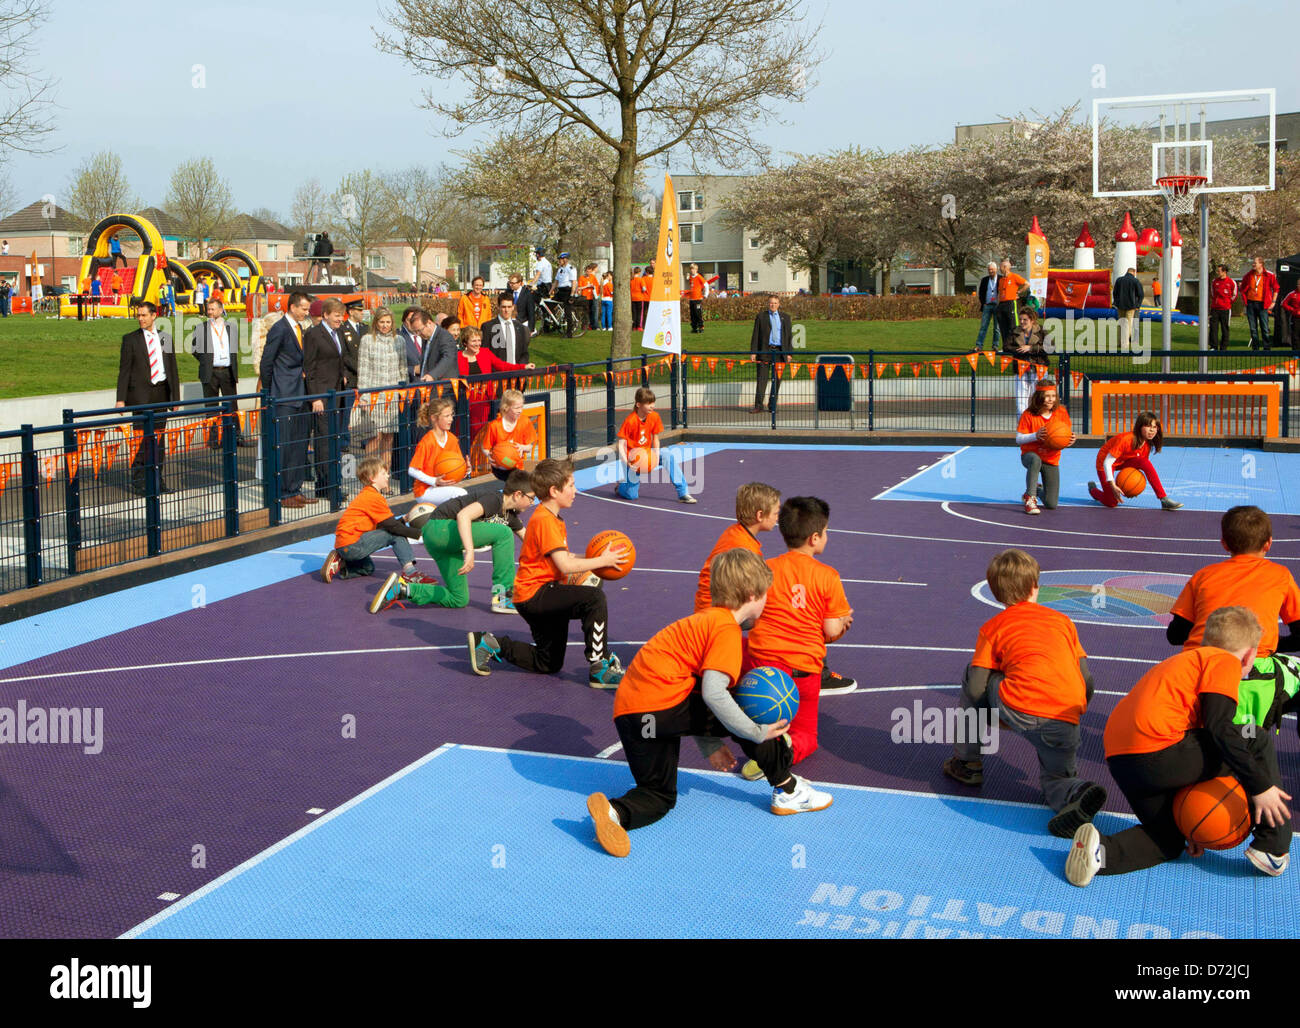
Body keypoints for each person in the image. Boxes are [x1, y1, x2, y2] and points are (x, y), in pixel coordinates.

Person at [586, 547, 835, 858]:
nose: (768, 601)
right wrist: (755, 731)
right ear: (751, 594)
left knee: (659, 796)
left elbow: (694, 691)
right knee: (750, 708)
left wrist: (710, 745)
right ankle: (788, 789)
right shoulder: (726, 630)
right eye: (766, 595)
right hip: (659, 708)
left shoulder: (702, 621)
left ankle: (614, 813)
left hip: (633, 717)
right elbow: (714, 694)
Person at [1066, 606, 1291, 887]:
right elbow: (1220, 727)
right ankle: (1273, 845)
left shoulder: (1184, 663)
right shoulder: (1224, 662)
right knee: (1253, 736)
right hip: (1156, 751)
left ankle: (1098, 853)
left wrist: (1191, 823)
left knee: (1169, 839)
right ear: (1249, 654)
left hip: (1122, 759)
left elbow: (1188, 741)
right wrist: (1260, 787)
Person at [1165, 506, 1300, 873]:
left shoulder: (1204, 575)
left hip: (1197, 674)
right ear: (1270, 544)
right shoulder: (1281, 574)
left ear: (1223, 542)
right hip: (1253, 673)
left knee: (1216, 737)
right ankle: (1273, 842)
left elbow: (1175, 634)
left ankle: (1184, 814)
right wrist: (1264, 644)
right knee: (1251, 736)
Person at [943, 549, 1106, 838]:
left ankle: (967, 763)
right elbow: (1087, 681)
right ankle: (1077, 790)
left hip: (1018, 706)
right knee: (1055, 781)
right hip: (1065, 715)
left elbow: (977, 686)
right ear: (1035, 588)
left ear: (995, 593)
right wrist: (1073, 714)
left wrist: (994, 718)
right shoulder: (1063, 622)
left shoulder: (993, 627)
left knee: (973, 671)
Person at [468, 458, 627, 688]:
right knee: (594, 598)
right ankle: (599, 666)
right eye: (571, 485)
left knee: (548, 662)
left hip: (538, 595)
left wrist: (599, 559)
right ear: (554, 490)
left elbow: (565, 557)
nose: (575, 491)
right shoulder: (544, 520)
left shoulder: (552, 519)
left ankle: (489, 643)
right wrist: (602, 560)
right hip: (536, 594)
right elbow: (564, 566)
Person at [740, 496, 853, 776]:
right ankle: (786, 750)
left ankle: (740, 709)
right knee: (808, 737)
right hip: (803, 671)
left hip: (764, 670)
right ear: (815, 538)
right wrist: (843, 623)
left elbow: (747, 618)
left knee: (738, 646)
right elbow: (830, 631)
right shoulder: (828, 576)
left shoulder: (765, 568)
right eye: (826, 532)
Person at [371, 470, 534, 615]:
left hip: (439, 541)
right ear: (518, 494)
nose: (532, 503)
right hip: (440, 527)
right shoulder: (494, 499)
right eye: (531, 498)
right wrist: (470, 551)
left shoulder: (510, 517)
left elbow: (528, 539)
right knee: (504, 533)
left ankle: (403, 590)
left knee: (458, 598)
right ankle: (503, 597)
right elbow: (464, 516)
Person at [319, 457, 424, 583]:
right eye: (384, 473)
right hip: (351, 544)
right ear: (372, 478)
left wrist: (404, 519)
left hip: (345, 545)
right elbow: (393, 528)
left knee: (368, 568)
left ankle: (342, 565)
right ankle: (410, 573)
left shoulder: (368, 494)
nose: (388, 476)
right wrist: (420, 534)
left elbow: (383, 527)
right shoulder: (373, 497)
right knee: (396, 534)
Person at [114, 302, 179, 495]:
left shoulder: (165, 338)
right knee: (141, 440)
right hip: (140, 396)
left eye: (144, 315)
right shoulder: (130, 340)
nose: (141, 319)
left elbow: (172, 369)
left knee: (158, 441)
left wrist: (175, 398)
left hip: (161, 394)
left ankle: (158, 480)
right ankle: (139, 481)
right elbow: (124, 371)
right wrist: (121, 399)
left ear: (154, 316)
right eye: (139, 315)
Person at [260, 292, 318, 507]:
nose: (306, 313)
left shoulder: (298, 328)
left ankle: (294, 489)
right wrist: (269, 392)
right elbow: (267, 362)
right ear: (293, 307)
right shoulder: (279, 329)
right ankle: (281, 493)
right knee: (283, 446)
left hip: (300, 394)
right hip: (283, 396)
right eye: (303, 309)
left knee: (299, 445)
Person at [303, 298, 354, 504]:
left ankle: (329, 485)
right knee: (324, 442)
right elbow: (310, 368)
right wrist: (315, 397)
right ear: (325, 315)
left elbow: (339, 359)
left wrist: (343, 376)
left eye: (341, 316)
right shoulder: (313, 335)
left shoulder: (339, 333)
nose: (340, 319)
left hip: (337, 395)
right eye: (336, 315)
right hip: (321, 397)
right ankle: (328, 487)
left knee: (333, 440)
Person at [349, 306, 407, 481]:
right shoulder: (367, 340)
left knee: (388, 441)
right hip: (373, 396)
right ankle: (370, 479)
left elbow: (403, 369)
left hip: (393, 397)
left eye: (388, 322)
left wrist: (402, 393)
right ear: (375, 322)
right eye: (381, 322)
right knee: (374, 439)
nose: (385, 325)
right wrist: (364, 396)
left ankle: (385, 480)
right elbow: (363, 369)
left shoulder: (400, 341)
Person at [188, 295, 250, 449]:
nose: (210, 312)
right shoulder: (201, 328)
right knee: (212, 407)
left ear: (221, 310)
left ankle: (235, 437)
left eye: (213, 309)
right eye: (208, 309)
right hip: (210, 372)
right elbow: (194, 349)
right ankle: (213, 439)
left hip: (227, 371)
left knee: (232, 406)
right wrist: (206, 361)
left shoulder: (231, 327)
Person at [614, 386, 696, 503]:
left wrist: (657, 456)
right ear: (638, 405)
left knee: (667, 454)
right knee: (631, 495)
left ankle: (683, 492)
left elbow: (655, 438)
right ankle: (621, 486)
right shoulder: (630, 421)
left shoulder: (654, 416)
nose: (652, 406)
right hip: (632, 459)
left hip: (648, 453)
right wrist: (627, 462)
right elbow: (620, 444)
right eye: (648, 403)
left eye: (653, 402)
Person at [1088, 411, 1181, 510]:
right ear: (1140, 427)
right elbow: (1107, 463)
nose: (1152, 430)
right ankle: (1093, 490)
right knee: (1111, 502)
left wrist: (1131, 489)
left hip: (1124, 461)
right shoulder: (1126, 439)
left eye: (1154, 427)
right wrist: (1113, 485)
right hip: (1105, 461)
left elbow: (1139, 469)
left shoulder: (1146, 445)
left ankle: (1164, 499)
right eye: (1148, 426)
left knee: (1144, 462)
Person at [458, 327, 535, 441]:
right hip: (465, 400)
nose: (477, 344)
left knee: (482, 432)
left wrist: (523, 367)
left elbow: (502, 366)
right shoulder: (458, 357)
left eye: (479, 340)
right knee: (465, 432)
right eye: (473, 341)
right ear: (465, 342)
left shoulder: (485, 353)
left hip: (484, 400)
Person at [1016, 377, 1073, 515]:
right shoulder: (1029, 414)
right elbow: (1018, 439)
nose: (1051, 399)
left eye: (1053, 396)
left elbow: (1064, 436)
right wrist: (1035, 435)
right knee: (1035, 460)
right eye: (1047, 396)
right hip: (1030, 455)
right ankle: (1030, 499)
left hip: (1051, 458)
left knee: (1051, 504)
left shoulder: (1061, 413)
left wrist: (1070, 440)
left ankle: (1037, 490)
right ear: (1039, 397)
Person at [408, 397, 471, 507]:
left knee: (461, 496)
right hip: (425, 490)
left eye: (452, 415)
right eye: (447, 416)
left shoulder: (452, 439)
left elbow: (456, 468)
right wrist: (434, 481)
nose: (451, 419)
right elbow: (412, 470)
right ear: (434, 418)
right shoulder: (427, 442)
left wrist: (466, 470)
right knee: (461, 494)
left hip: (442, 488)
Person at [479, 388, 539, 481]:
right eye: (516, 408)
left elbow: (529, 447)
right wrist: (489, 456)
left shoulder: (524, 421)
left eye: (521, 407)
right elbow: (485, 447)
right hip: (499, 466)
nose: (520, 410)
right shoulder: (495, 425)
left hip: (517, 466)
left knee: (518, 486)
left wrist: (522, 447)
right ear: (506, 407)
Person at [750, 294, 792, 414]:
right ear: (768, 304)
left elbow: (789, 336)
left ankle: (772, 405)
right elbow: (755, 335)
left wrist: (789, 353)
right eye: (771, 303)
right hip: (765, 351)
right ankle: (758, 405)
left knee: (777, 380)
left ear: (779, 304)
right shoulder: (761, 317)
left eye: (775, 303)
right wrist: (753, 352)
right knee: (762, 379)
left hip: (780, 352)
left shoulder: (785, 318)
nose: (773, 305)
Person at [1003, 307, 1049, 413]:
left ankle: (1039, 426)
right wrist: (1020, 349)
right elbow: (1006, 346)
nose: (1022, 322)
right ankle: (1023, 427)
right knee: (1021, 401)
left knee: (1039, 399)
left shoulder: (1042, 331)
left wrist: (1031, 348)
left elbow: (1050, 347)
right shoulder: (1015, 331)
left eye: (1025, 320)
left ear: (1032, 320)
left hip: (1038, 368)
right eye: (1020, 319)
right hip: (1021, 369)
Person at [1240, 256, 1279, 350]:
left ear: (1261, 264)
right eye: (1253, 263)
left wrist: (1273, 301)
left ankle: (1266, 347)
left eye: (1255, 263)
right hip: (1251, 303)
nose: (1253, 264)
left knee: (1264, 327)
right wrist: (1244, 300)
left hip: (1263, 304)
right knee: (1253, 328)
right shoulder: (1249, 275)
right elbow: (1242, 288)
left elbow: (1276, 288)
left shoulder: (1269, 275)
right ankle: (1255, 348)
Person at [483, 295, 530, 365]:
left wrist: (520, 368)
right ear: (498, 307)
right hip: (497, 373)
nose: (506, 310)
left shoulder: (520, 328)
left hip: (517, 372)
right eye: (503, 307)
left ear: (513, 307)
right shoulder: (488, 327)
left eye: (509, 307)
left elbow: (524, 353)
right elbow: (484, 353)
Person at [418, 311, 460, 383]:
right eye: (416, 331)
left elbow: (448, 358)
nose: (418, 334)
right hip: (427, 386)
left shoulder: (445, 336)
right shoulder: (426, 337)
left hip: (443, 388)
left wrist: (432, 375)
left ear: (429, 323)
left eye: (420, 330)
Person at [995, 258, 1028, 345]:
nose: (999, 269)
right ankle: (1006, 345)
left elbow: (1027, 284)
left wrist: (1019, 292)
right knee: (1003, 326)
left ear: (1005, 267)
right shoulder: (1001, 280)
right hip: (1002, 304)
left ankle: (1017, 344)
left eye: (1001, 267)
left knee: (1013, 325)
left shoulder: (1014, 276)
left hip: (1010, 303)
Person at [1112, 266, 1143, 353]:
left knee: (1121, 323)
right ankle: (1125, 343)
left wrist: (1116, 302)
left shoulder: (1119, 280)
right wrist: (1138, 305)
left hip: (1120, 305)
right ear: (1134, 272)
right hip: (1131, 306)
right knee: (1128, 324)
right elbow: (1141, 294)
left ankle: (1119, 342)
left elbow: (1115, 293)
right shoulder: (1135, 281)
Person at [1208, 264, 1237, 351]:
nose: (1217, 272)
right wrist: (1216, 302)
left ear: (1224, 272)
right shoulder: (1214, 281)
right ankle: (1213, 346)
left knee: (1225, 328)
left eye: (1219, 271)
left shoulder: (1231, 282)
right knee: (1213, 328)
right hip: (1215, 308)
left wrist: (1227, 302)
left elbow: (1234, 295)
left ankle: (1223, 347)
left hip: (1225, 309)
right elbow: (1212, 293)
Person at [974, 261, 1001, 349]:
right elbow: (981, 292)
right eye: (989, 270)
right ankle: (979, 345)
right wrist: (983, 303)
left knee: (997, 328)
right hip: (987, 305)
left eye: (992, 269)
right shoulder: (984, 280)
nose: (991, 271)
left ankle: (995, 345)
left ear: (996, 269)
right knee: (983, 326)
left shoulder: (1001, 279)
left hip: (997, 306)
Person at [553, 252, 578, 337]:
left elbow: (574, 282)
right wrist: (550, 292)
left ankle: (569, 333)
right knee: (550, 305)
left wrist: (572, 295)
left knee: (568, 312)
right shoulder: (560, 269)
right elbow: (556, 282)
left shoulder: (571, 268)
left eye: (560, 259)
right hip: (560, 291)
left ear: (565, 260)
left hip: (567, 291)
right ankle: (553, 325)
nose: (559, 261)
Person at [579, 262, 600, 333]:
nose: (588, 273)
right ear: (585, 271)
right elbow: (579, 288)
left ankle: (591, 325)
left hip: (591, 297)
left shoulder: (593, 277)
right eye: (587, 271)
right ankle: (584, 326)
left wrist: (594, 287)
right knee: (585, 312)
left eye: (590, 271)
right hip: (585, 297)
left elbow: (597, 285)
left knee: (592, 311)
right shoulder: (582, 278)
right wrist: (586, 286)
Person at [686, 263, 707, 334]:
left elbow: (706, 285)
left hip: (697, 299)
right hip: (691, 299)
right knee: (692, 314)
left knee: (698, 313)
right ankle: (694, 328)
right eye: (691, 269)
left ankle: (701, 327)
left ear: (696, 270)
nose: (692, 270)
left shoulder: (699, 277)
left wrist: (705, 294)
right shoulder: (691, 277)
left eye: (693, 269)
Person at [1282, 281, 1300, 349]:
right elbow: (1283, 303)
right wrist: (1292, 310)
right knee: (1295, 335)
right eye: (1298, 284)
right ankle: (1295, 352)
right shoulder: (1292, 294)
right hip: (1295, 318)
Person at [630, 266, 645, 332]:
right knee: (639, 313)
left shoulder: (631, 279)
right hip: (639, 298)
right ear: (639, 272)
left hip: (632, 298)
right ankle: (638, 326)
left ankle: (634, 326)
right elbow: (644, 288)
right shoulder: (641, 279)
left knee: (634, 313)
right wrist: (642, 291)